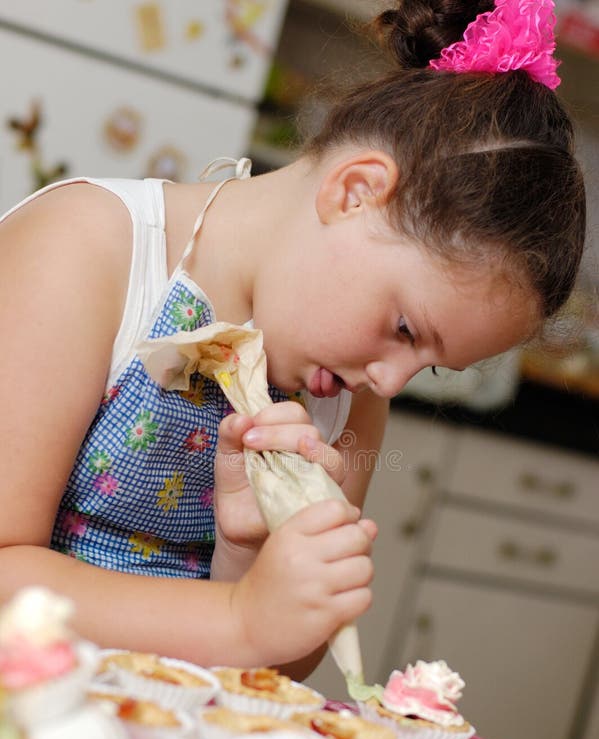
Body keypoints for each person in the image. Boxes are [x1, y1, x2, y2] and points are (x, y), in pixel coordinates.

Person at [0, 0, 585, 678]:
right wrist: (240, 617)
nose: (389, 382)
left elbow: (287, 660)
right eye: (403, 330)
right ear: (354, 191)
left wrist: (246, 554)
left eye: (428, 367)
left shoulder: (348, 391)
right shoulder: (91, 248)